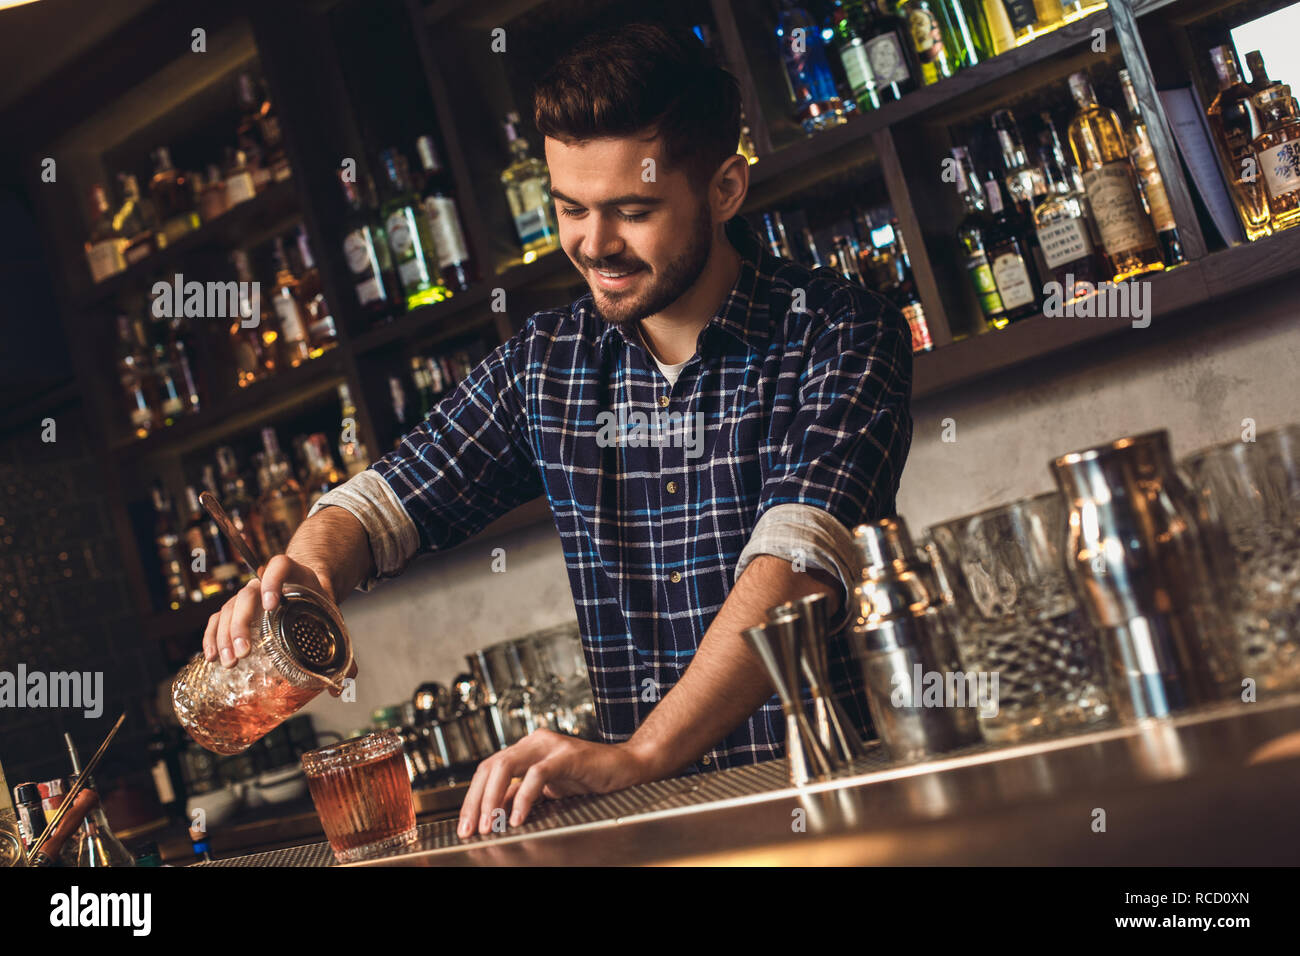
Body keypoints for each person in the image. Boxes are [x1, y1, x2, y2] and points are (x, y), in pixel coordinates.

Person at [202, 22, 913, 838]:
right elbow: (378, 503)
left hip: (830, 806)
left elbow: (797, 565)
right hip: (653, 831)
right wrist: (311, 574)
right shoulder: (548, 364)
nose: (593, 243)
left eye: (632, 211)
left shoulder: (839, 332)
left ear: (724, 189)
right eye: (570, 208)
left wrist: (642, 753)